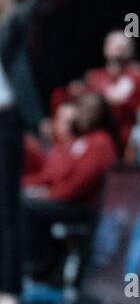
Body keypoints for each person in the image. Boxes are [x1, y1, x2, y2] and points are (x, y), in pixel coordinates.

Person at [0, 0, 97, 304]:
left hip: (4, 126)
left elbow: (31, 7)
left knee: (6, 209)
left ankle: (9, 287)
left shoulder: (8, 33)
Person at [21, 90, 119, 285]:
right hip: (64, 200)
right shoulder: (77, 141)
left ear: (100, 114)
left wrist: (48, 196)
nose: (81, 114)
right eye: (81, 108)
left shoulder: (100, 143)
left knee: (27, 207)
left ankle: (42, 265)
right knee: (20, 201)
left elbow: (80, 184)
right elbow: (52, 176)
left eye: (89, 110)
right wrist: (24, 185)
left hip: (83, 207)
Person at [86, 31, 140, 149]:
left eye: (124, 45)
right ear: (105, 48)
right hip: (100, 141)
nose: (120, 48)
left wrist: (123, 100)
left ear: (131, 50)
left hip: (132, 141)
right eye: (115, 45)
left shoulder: (139, 76)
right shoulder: (95, 77)